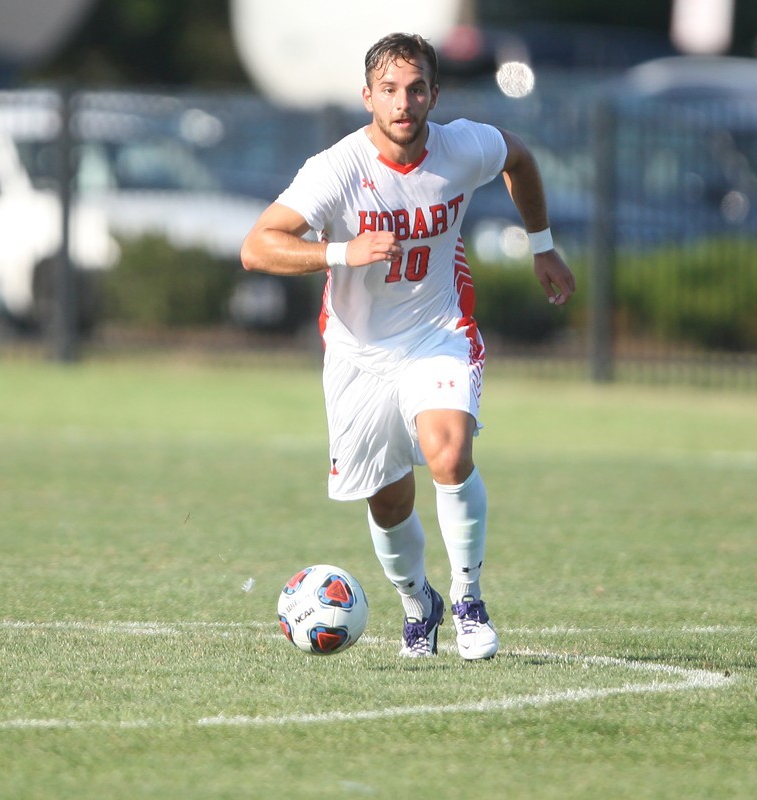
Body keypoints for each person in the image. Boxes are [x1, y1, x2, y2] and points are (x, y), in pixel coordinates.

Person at [239, 32, 575, 660]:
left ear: (434, 94)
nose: (404, 102)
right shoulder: (337, 169)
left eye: (416, 88)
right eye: (389, 89)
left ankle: (471, 601)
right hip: (358, 354)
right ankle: (420, 601)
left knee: (448, 456)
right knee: (390, 499)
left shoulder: (462, 146)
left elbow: (519, 159)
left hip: (437, 331)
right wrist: (341, 251)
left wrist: (542, 245)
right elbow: (257, 246)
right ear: (367, 96)